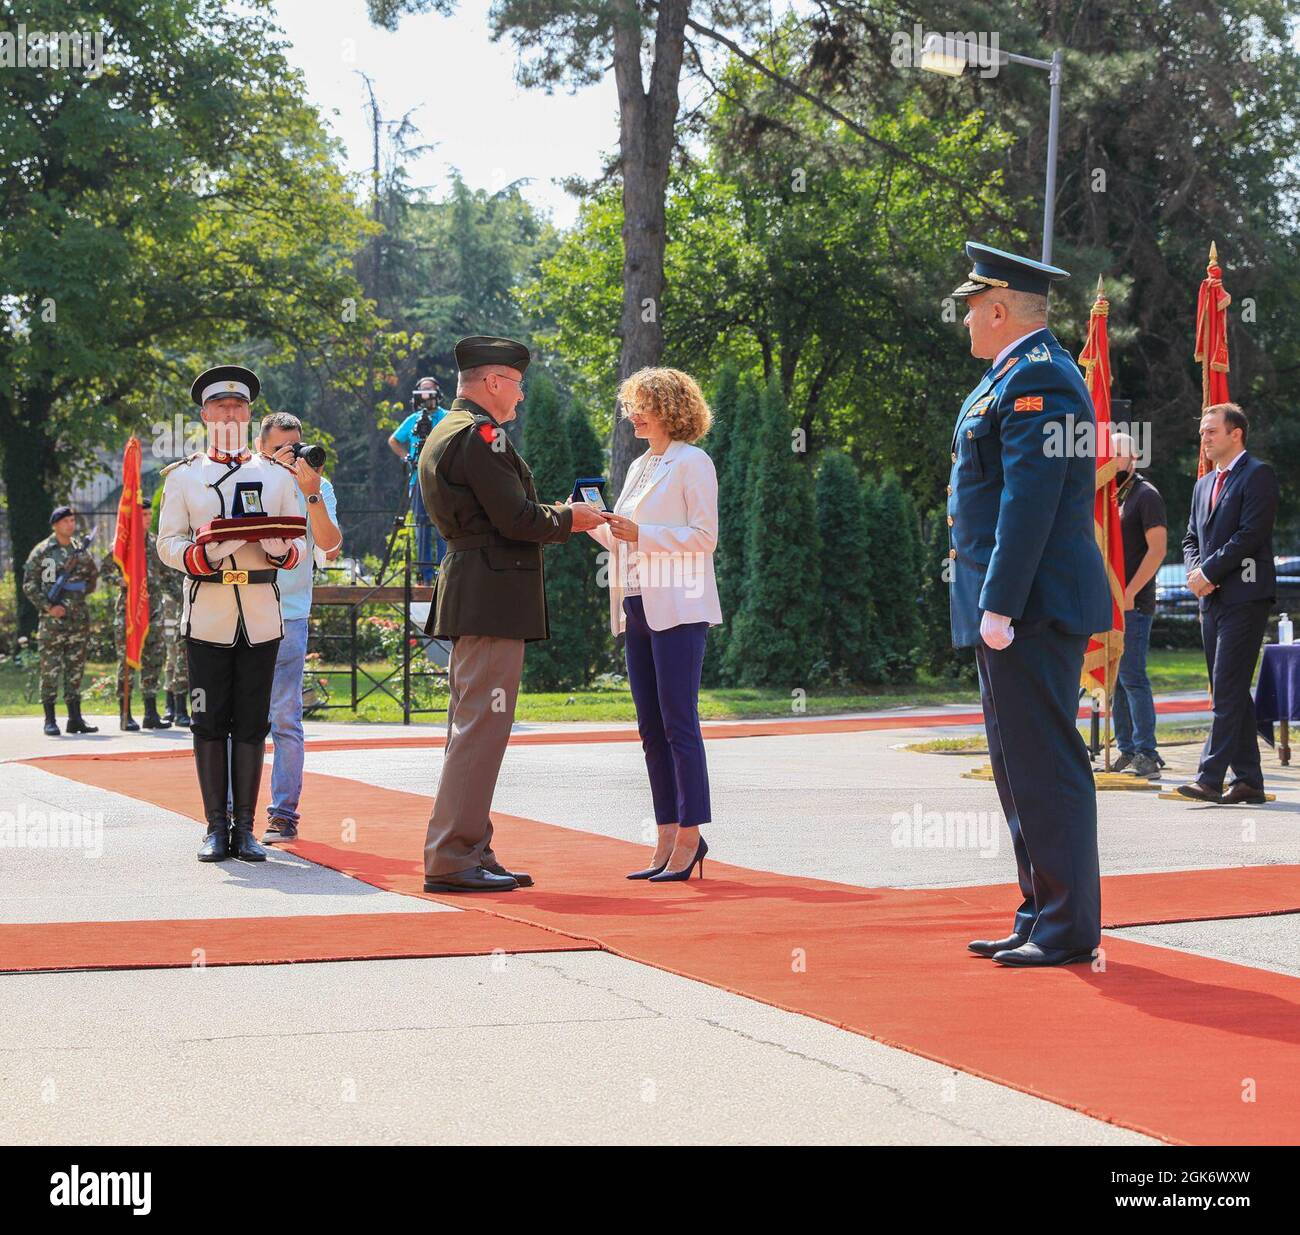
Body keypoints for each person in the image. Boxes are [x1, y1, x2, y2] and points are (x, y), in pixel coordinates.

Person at [946, 242, 1111, 968]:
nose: (967, 321)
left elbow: (1030, 501)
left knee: (1046, 763)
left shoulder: (1041, 378)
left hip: (1031, 606)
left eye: (973, 308)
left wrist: (1001, 602)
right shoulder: (1009, 377)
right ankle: (1038, 909)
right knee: (1018, 766)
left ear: (1002, 308)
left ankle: (1067, 926)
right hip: (1012, 603)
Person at [417, 336, 607, 892]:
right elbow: (517, 518)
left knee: (471, 729)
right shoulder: (480, 434)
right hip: (492, 595)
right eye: (517, 385)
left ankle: (469, 845)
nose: (521, 397)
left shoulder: (447, 430)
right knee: (481, 731)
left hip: (476, 592)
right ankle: (454, 856)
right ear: (494, 381)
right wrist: (571, 518)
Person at [156, 365, 306, 863]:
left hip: (261, 615)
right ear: (204, 415)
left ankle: (245, 829)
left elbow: (297, 543)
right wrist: (202, 555)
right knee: (207, 721)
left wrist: (279, 547)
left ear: (249, 415)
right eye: (220, 407)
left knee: (252, 724)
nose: (230, 413)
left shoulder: (275, 474)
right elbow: (167, 544)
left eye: (239, 407)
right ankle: (214, 827)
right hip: (208, 614)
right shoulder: (183, 476)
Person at [578, 368, 722, 882]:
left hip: (679, 606)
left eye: (644, 405)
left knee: (679, 721)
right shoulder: (641, 465)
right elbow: (628, 541)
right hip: (635, 603)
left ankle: (690, 835)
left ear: (672, 408)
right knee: (649, 727)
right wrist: (594, 522)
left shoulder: (693, 461)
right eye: (631, 405)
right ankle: (665, 832)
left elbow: (704, 537)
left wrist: (642, 531)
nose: (633, 414)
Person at [1178, 402, 1278, 805]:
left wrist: (1210, 572)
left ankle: (1210, 776)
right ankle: (1250, 780)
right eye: (1202, 432)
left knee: (1227, 688)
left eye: (1211, 432)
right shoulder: (1203, 484)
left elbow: (1250, 534)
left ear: (1236, 433)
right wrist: (1194, 570)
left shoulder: (1258, 475)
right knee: (1231, 688)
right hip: (1211, 601)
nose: (1203, 438)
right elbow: (1189, 538)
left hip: (1245, 596)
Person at [256, 411, 343, 844]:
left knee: (285, 717)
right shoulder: (246, 480)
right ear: (261, 448)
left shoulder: (317, 487)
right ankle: (230, 815)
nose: (292, 457)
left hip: (290, 613)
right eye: (281, 449)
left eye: (297, 447)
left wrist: (310, 495)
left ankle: (283, 814)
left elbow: (329, 543)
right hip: (242, 609)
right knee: (238, 717)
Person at [1110, 433, 1167, 779]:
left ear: (1133, 457)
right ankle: (1126, 749)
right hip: (1112, 602)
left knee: (1132, 676)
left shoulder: (1146, 495)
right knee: (1115, 680)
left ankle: (1147, 752)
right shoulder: (1112, 495)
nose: (1110, 460)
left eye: (1117, 454)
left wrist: (1131, 591)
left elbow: (1157, 550)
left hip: (1135, 602)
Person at [22, 505, 100, 737]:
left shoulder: (80, 550)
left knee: (75, 670)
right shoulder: (43, 551)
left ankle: (75, 719)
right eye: (66, 521)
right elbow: (29, 584)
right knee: (50, 670)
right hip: (52, 624)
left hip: (77, 621)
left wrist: (78, 594)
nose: (71, 524)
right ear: (55, 525)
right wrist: (48, 606)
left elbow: (92, 578)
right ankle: (50, 719)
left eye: (73, 520)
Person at [100, 495, 171, 731]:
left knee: (154, 657)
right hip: (130, 610)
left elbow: (168, 576)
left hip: (154, 609)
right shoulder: (123, 544)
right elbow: (105, 571)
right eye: (143, 515)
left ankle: (151, 712)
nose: (147, 519)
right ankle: (125, 713)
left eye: (150, 515)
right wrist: (119, 580)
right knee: (128, 660)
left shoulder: (155, 543)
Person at [389, 376, 446, 583]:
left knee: (443, 524)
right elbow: (394, 440)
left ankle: (444, 570)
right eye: (422, 391)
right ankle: (424, 574)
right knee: (421, 525)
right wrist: (406, 457)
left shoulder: (446, 417)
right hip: (417, 479)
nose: (426, 395)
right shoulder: (413, 419)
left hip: (441, 480)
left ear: (437, 394)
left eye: (430, 390)